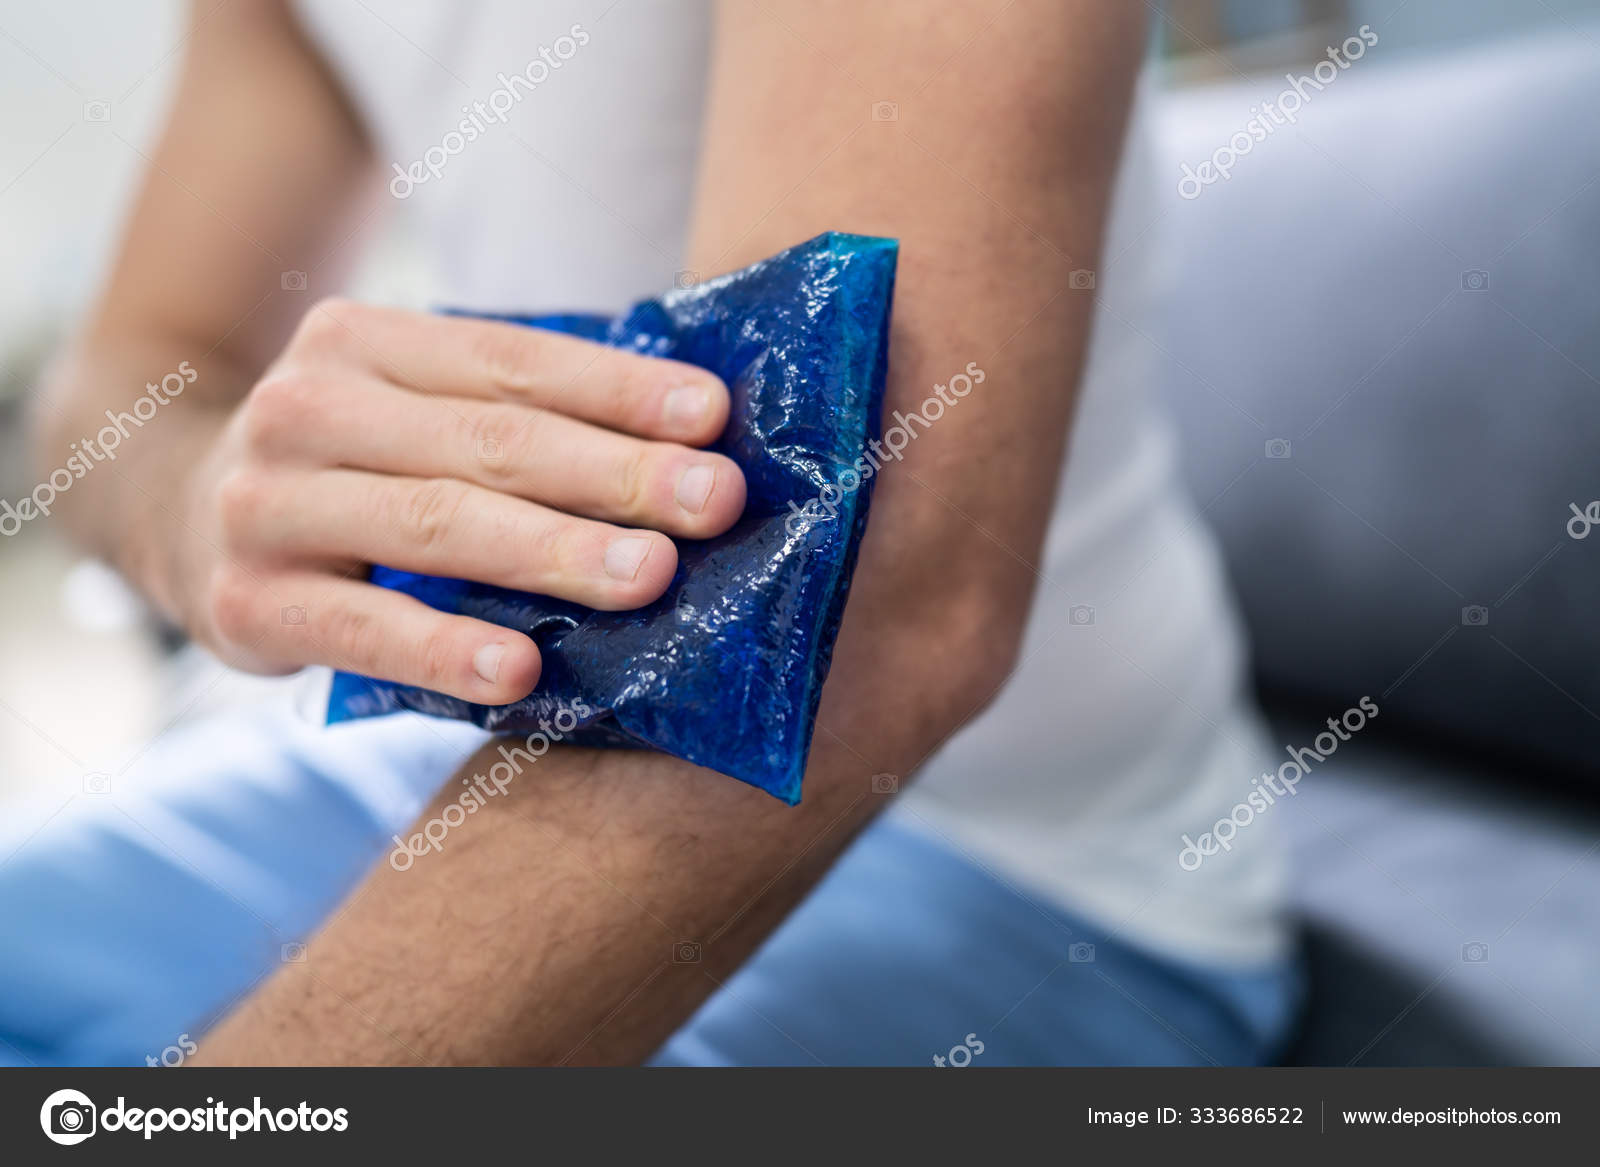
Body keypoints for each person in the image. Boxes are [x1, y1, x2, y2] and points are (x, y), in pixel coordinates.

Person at [3, 0, 1296, 1066]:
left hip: (1044, 882)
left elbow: (867, 613)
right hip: (462, 754)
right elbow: (129, 368)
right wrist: (190, 496)